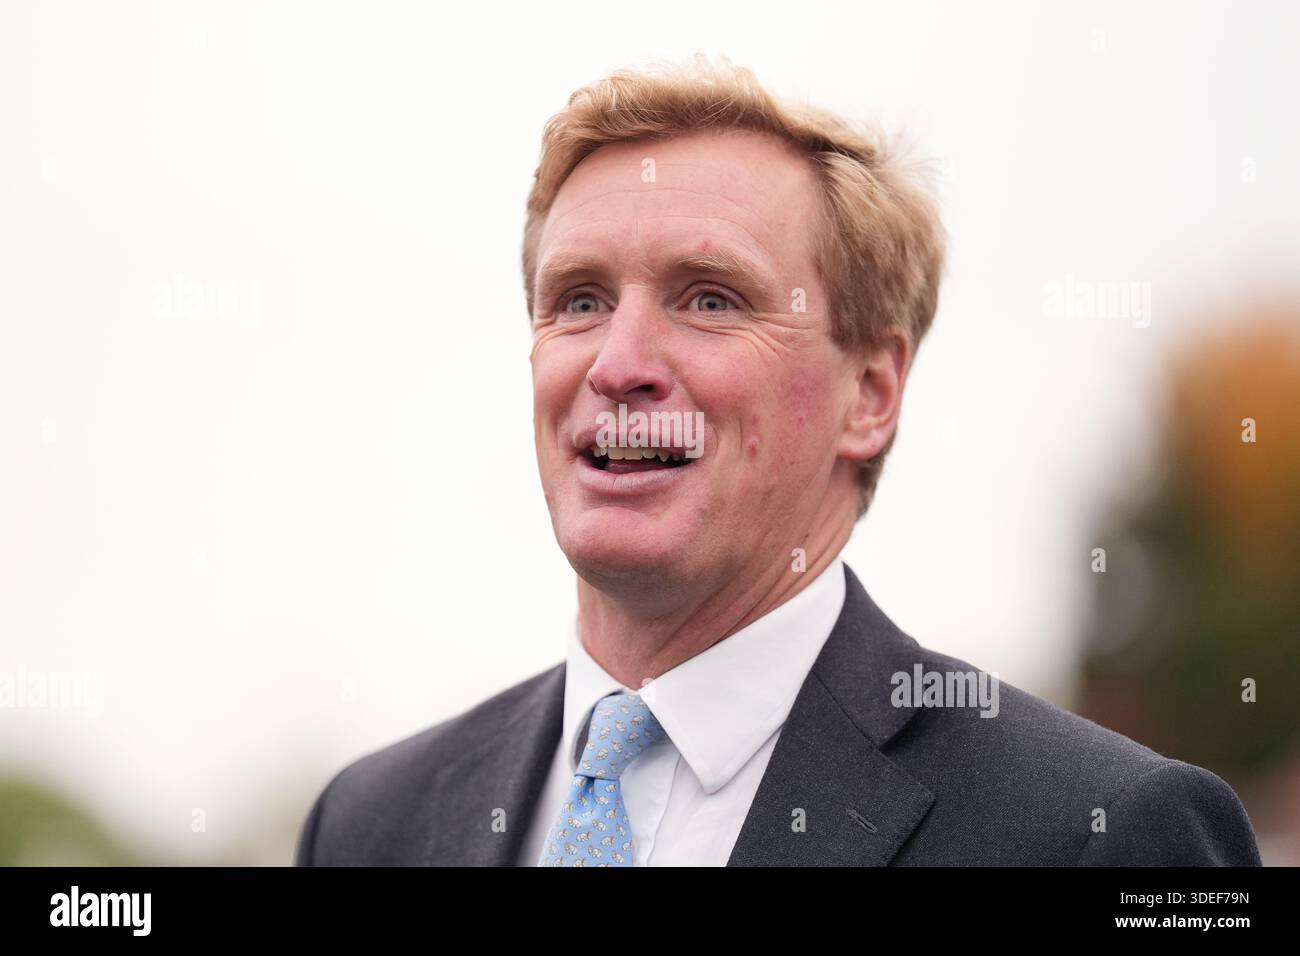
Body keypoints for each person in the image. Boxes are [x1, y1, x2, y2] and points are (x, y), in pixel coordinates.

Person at [294, 57, 1261, 867]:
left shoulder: (1104, 835)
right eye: (580, 300)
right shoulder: (370, 827)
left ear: (870, 393)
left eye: (710, 299)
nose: (620, 364)